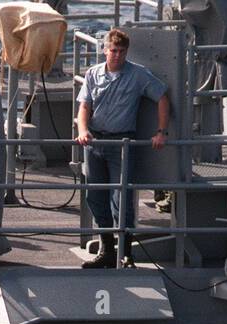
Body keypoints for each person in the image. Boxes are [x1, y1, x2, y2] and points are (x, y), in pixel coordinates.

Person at [74, 28, 171, 269]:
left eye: (121, 51)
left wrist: (161, 132)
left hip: (121, 144)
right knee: (95, 197)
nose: (117, 55)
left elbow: (162, 97)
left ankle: (125, 253)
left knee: (122, 198)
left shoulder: (138, 75)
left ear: (126, 52)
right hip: (96, 143)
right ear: (105, 50)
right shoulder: (93, 74)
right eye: (113, 50)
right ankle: (107, 249)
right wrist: (82, 131)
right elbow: (85, 106)